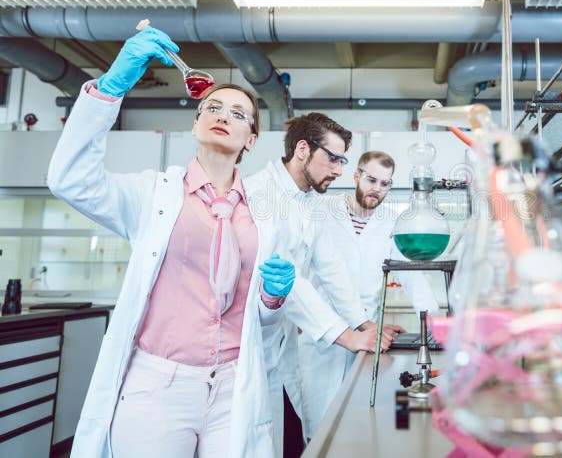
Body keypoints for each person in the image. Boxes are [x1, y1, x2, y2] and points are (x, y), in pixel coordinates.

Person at [47, 27, 296, 458]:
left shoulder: (265, 216)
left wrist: (272, 300)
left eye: (239, 113)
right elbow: (69, 180)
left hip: (236, 385)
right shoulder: (152, 195)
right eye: (212, 106)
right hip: (159, 385)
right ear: (196, 123)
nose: (223, 114)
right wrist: (109, 89)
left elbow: (261, 324)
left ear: (251, 139)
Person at [244, 115, 401, 454]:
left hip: (275, 341)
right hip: (244, 343)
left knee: (274, 438)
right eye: (333, 159)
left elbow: (331, 269)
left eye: (343, 161)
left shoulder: (308, 202)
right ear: (303, 149)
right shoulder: (262, 194)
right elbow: (289, 280)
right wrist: (349, 336)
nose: (339, 170)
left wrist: (365, 323)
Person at [298, 150, 441, 437]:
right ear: (356, 176)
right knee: (319, 426)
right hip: (323, 333)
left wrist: (435, 322)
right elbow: (300, 271)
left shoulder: (391, 223)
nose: (377, 189)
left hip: (366, 336)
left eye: (385, 184)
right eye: (372, 179)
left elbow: (410, 274)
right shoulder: (322, 213)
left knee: (360, 421)